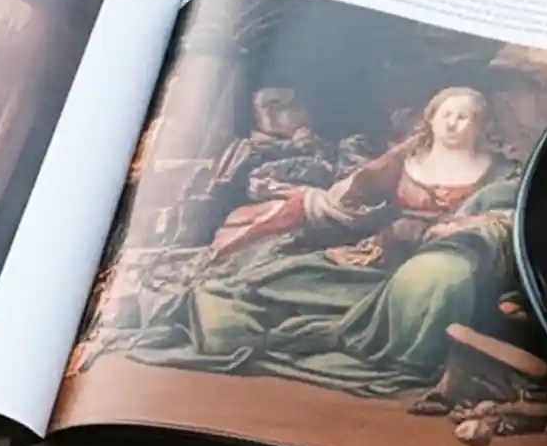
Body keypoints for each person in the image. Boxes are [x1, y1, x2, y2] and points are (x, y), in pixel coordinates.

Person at [122, 86, 521, 398]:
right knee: (278, 281)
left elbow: (506, 218)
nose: (453, 124)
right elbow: (347, 202)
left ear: (480, 126)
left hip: (438, 259)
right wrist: (319, 202)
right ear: (431, 120)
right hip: (381, 253)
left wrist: (453, 229)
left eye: (464, 117)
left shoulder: (497, 173)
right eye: (446, 114)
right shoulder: (404, 161)